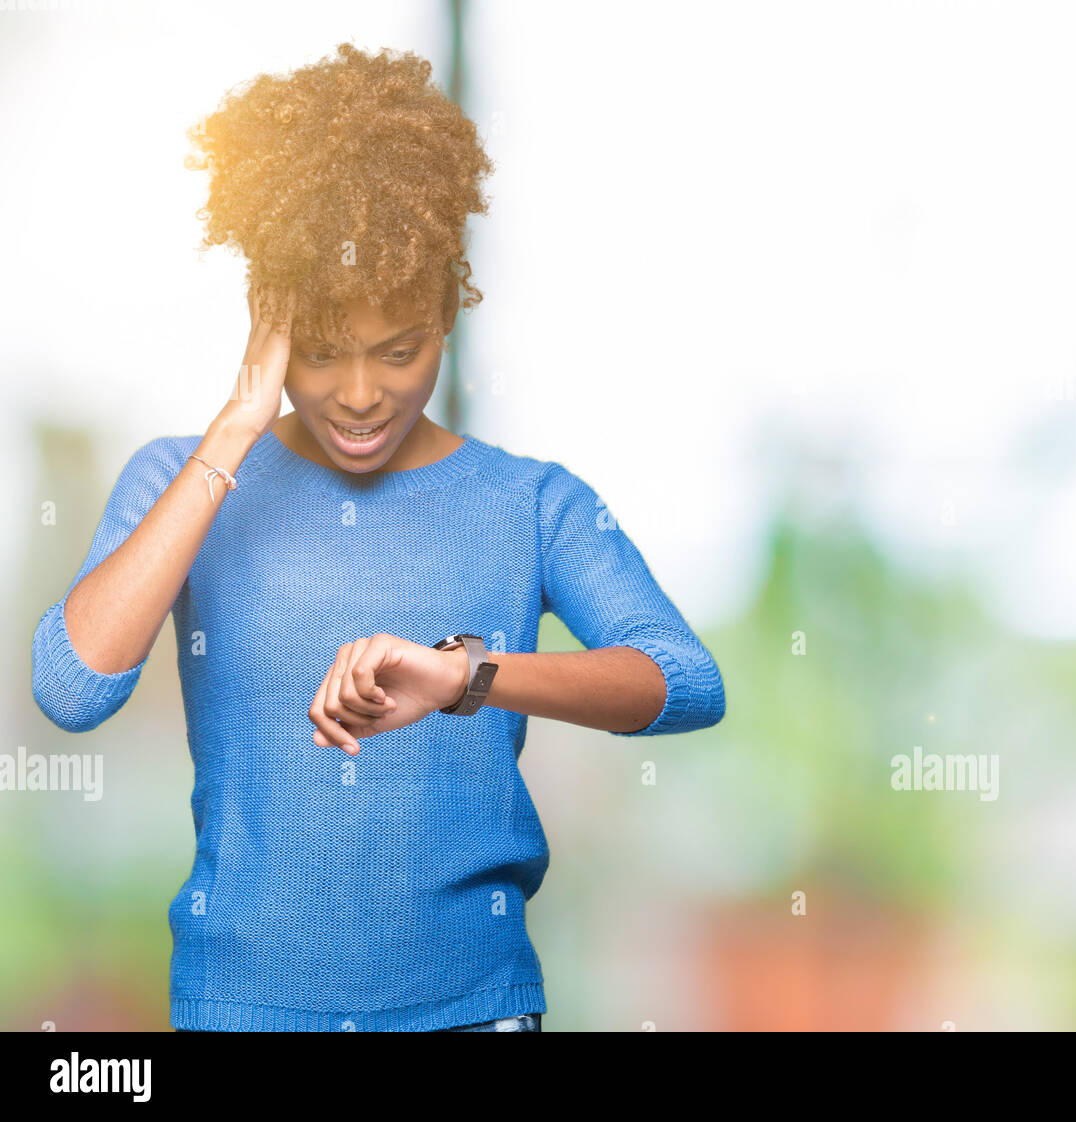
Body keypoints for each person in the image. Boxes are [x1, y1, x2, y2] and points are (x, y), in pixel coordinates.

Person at [30, 43, 725, 1033]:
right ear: (267, 324)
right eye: (320, 354)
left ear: (447, 310)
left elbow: (685, 682)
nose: (360, 395)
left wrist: (468, 677)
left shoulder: (529, 502)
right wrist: (235, 426)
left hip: (471, 1013)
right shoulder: (177, 481)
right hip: (241, 1013)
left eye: (398, 352)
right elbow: (71, 687)